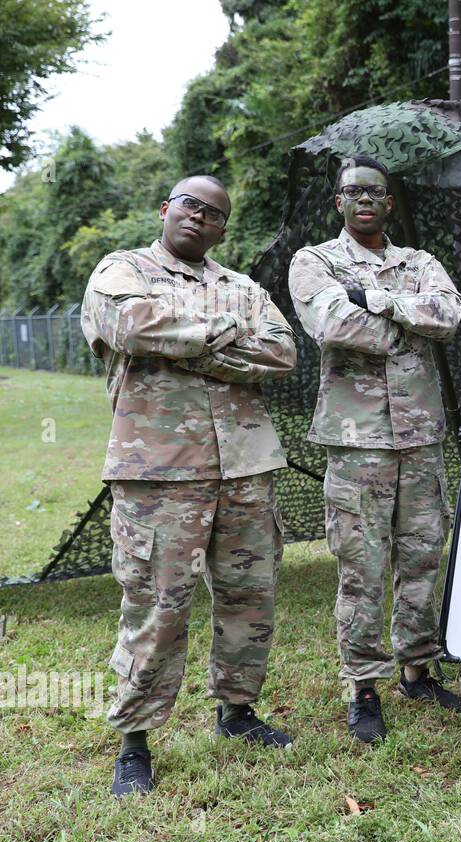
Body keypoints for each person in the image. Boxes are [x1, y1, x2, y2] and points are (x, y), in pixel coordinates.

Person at [82, 175, 297, 797]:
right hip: (158, 470)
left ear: (224, 228)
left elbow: (281, 352)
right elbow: (128, 325)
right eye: (190, 206)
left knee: (249, 595)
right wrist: (220, 336)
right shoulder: (121, 270)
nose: (200, 218)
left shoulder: (242, 286)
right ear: (166, 210)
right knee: (158, 603)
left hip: (247, 467)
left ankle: (237, 712)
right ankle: (135, 739)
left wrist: (185, 345)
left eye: (214, 213)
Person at [288, 156, 461, 744]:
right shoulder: (315, 260)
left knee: (421, 556)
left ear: (389, 203)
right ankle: (363, 685)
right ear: (338, 201)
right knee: (361, 566)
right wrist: (408, 326)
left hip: (419, 437)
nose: (365, 199)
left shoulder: (419, 261)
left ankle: (417, 667)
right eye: (353, 191)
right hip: (357, 438)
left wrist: (378, 299)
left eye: (376, 192)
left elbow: (451, 313)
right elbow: (332, 325)